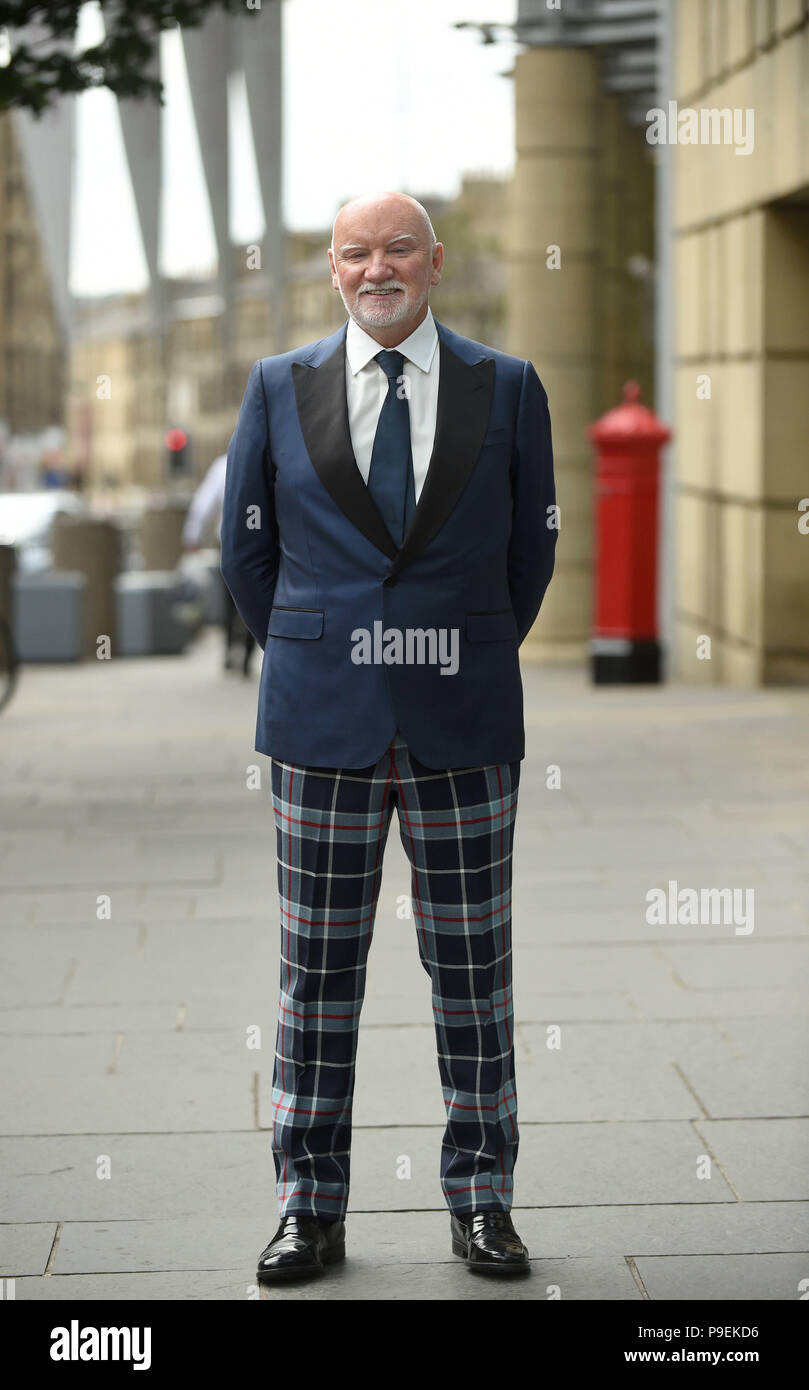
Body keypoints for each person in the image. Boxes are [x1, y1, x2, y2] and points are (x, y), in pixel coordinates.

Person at [221, 191, 557, 1281]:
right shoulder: (278, 387)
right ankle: (308, 1208)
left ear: (434, 261)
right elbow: (247, 555)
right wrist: (321, 654)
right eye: (357, 252)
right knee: (315, 972)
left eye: (397, 248)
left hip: (464, 716)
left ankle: (480, 1204)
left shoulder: (507, 386)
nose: (378, 267)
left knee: (472, 970)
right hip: (321, 720)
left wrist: (461, 644)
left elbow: (528, 556)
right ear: (333, 270)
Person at [181, 452, 255, 675]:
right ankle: (247, 655)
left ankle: (229, 649)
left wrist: (193, 536)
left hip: (230, 542)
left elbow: (204, 504)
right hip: (259, 542)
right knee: (254, 597)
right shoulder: (262, 459)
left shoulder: (222, 466)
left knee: (230, 600)